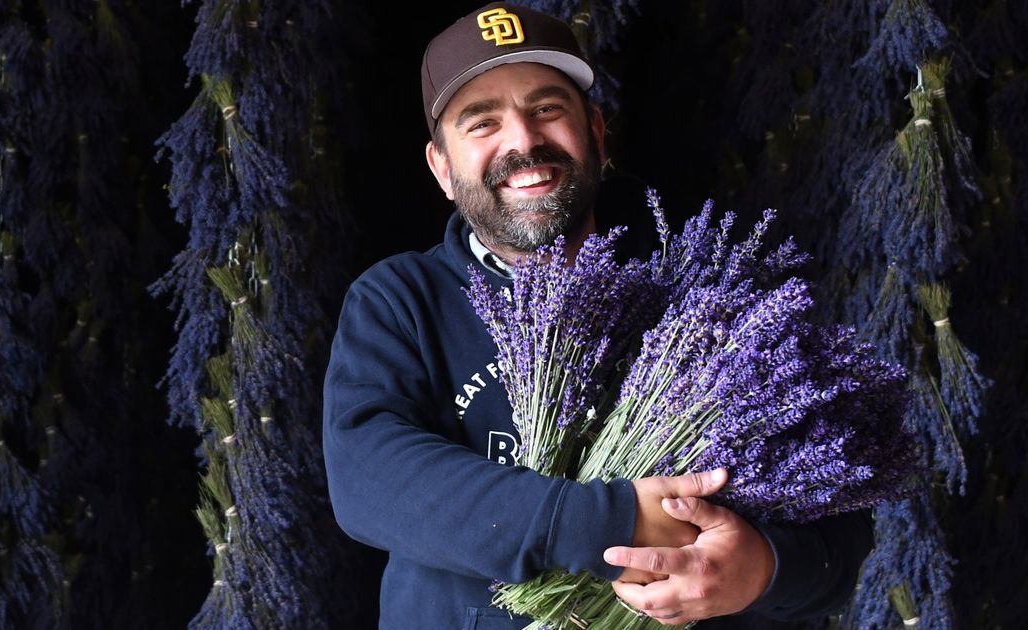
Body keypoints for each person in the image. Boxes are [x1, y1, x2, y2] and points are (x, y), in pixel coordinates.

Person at [322, 3, 874, 628]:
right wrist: (613, 520)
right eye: (483, 122)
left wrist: (762, 569)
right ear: (442, 167)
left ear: (596, 131)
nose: (523, 141)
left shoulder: (714, 295)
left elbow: (840, 514)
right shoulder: (399, 301)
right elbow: (368, 479)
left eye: (546, 109)